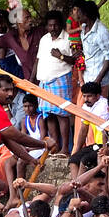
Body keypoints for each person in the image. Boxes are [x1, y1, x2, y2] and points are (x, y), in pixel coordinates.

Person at [35, 10, 74, 153]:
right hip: (44, 80)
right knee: (49, 115)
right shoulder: (44, 38)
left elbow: (76, 60)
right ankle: (55, 146)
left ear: (61, 25)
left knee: (62, 114)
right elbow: (38, 60)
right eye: (50, 26)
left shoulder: (68, 38)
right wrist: (32, 79)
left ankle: (65, 148)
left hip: (61, 78)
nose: (53, 28)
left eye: (55, 25)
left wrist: (61, 56)